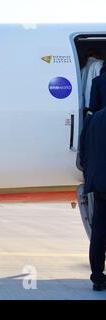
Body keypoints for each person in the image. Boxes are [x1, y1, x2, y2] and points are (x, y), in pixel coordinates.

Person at [79, 107, 106, 291]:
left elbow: (83, 152)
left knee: (98, 232)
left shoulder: (93, 119)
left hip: (99, 184)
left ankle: (97, 277)